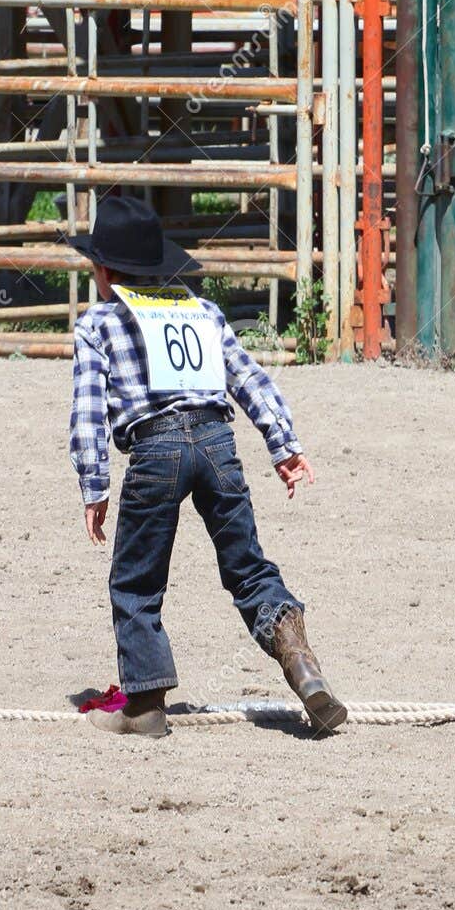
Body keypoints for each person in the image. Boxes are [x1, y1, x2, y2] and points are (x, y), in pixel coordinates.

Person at [68, 194, 346, 738]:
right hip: (219, 444)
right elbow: (249, 379)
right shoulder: (202, 312)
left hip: (154, 450)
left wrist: (94, 484)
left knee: (136, 579)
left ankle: (145, 703)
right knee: (247, 567)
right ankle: (297, 655)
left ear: (102, 271)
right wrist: (283, 446)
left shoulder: (96, 324)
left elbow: (87, 413)